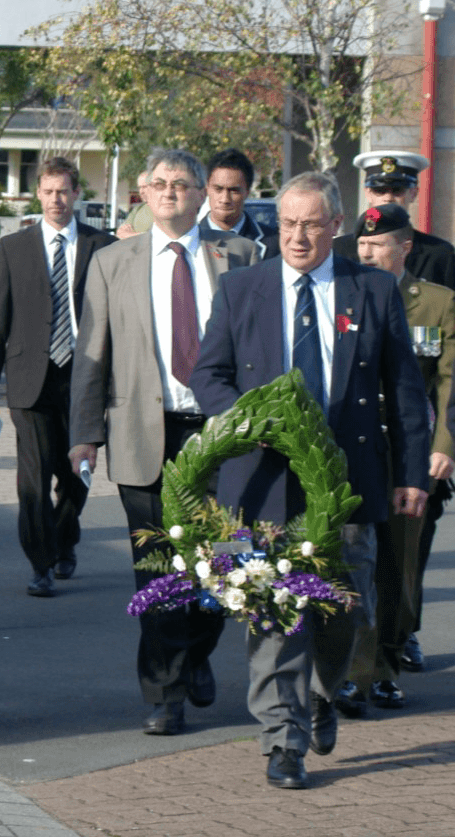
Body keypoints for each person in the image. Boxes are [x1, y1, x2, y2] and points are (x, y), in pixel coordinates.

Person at [191, 172, 430, 789]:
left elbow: (405, 392)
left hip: (348, 485)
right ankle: (282, 738)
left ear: (336, 226)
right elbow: (208, 377)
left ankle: (325, 691)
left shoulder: (371, 290)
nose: (297, 237)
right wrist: (248, 420)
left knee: (341, 612)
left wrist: (411, 475)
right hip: (260, 484)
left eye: (311, 224)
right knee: (272, 613)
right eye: (287, 224)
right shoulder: (242, 288)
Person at [69, 148, 257, 736]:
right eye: (159, 184)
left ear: (203, 194)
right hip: (142, 432)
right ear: (143, 195)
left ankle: (197, 650)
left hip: (219, 434)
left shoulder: (244, 257)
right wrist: (84, 434)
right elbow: (91, 353)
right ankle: (165, 691)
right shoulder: (111, 262)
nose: (171, 192)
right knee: (156, 569)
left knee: (218, 561)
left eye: (182, 184)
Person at [333, 203, 455, 716]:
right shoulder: (342, 295)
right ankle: (361, 675)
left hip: (413, 456)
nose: (366, 251)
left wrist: (444, 445)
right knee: (352, 563)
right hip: (355, 452)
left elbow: (449, 383)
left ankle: (389, 655)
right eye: (361, 243)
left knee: (399, 568)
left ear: (404, 248)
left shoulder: (436, 303)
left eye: (378, 244)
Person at [0, 157, 115, 597]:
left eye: (64, 191)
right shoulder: (14, 248)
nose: (56, 199)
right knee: (33, 479)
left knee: (75, 475)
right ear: (39, 193)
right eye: (49, 191)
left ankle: (64, 538)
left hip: (84, 376)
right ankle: (40, 563)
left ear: (77, 194)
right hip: (29, 377)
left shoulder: (103, 247)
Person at [333, 151, 455, 289]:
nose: (388, 198)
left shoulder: (438, 254)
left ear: (413, 193)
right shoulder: (339, 250)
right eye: (380, 190)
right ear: (368, 193)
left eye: (397, 191)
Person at [200, 148, 279, 259]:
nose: (225, 199)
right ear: (206, 189)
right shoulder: (187, 240)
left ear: (247, 192)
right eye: (218, 189)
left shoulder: (274, 243)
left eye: (234, 190)